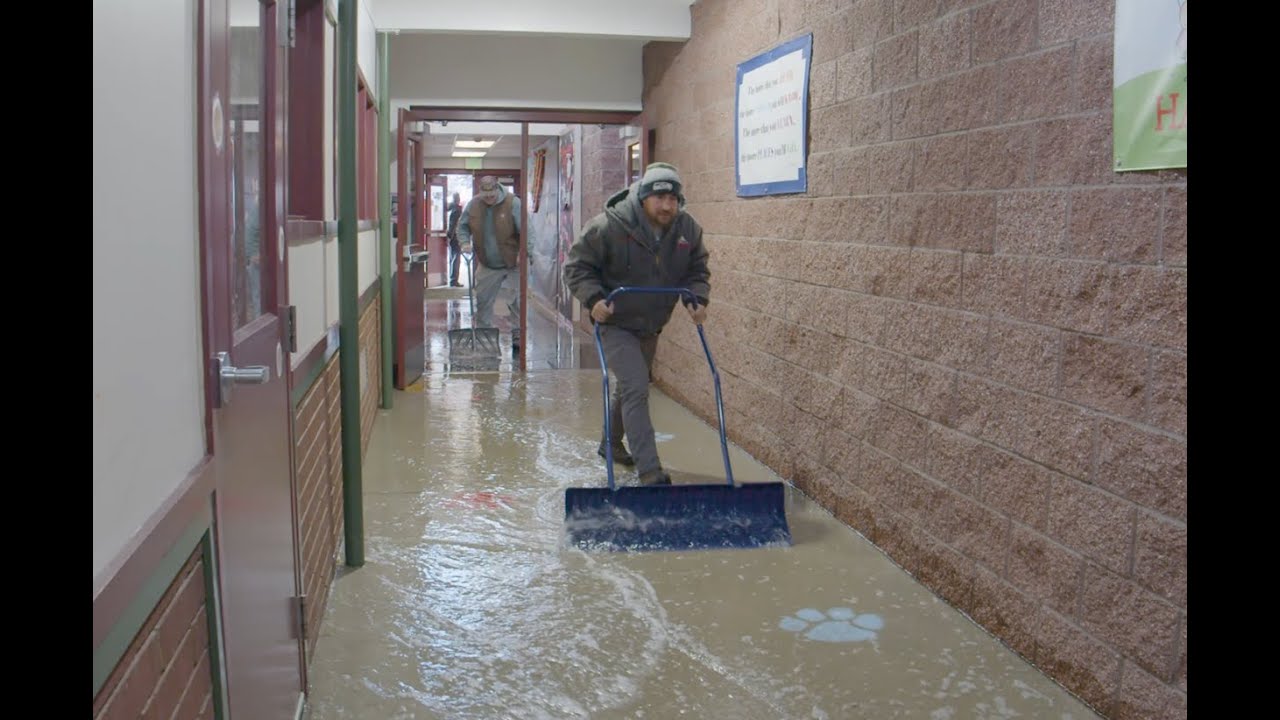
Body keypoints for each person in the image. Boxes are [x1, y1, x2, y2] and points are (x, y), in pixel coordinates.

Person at [563, 162, 709, 486]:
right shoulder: (608, 227)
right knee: (636, 387)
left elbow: (696, 270)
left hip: (652, 324)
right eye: (659, 198)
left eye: (673, 199)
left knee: (630, 387)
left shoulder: (687, 230)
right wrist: (593, 299)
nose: (667, 205)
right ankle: (650, 471)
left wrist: (697, 298)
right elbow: (576, 267)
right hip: (615, 321)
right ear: (643, 197)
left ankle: (611, 445)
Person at [457, 176, 524, 351]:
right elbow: (462, 226)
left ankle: (518, 333)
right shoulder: (473, 205)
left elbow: (526, 230)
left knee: (517, 300)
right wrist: (464, 242)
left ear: (496, 190)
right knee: (483, 300)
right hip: (487, 263)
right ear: (480, 192)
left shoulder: (513, 203)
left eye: (491, 195)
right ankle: (483, 334)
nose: (488, 198)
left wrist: (524, 253)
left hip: (512, 262)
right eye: (485, 195)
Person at [445, 192, 463, 287]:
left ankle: (453, 279)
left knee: (453, 257)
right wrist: (451, 237)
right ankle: (454, 280)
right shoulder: (457, 210)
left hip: (452, 237)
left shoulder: (450, 209)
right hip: (455, 237)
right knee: (456, 258)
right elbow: (453, 225)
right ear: (458, 199)